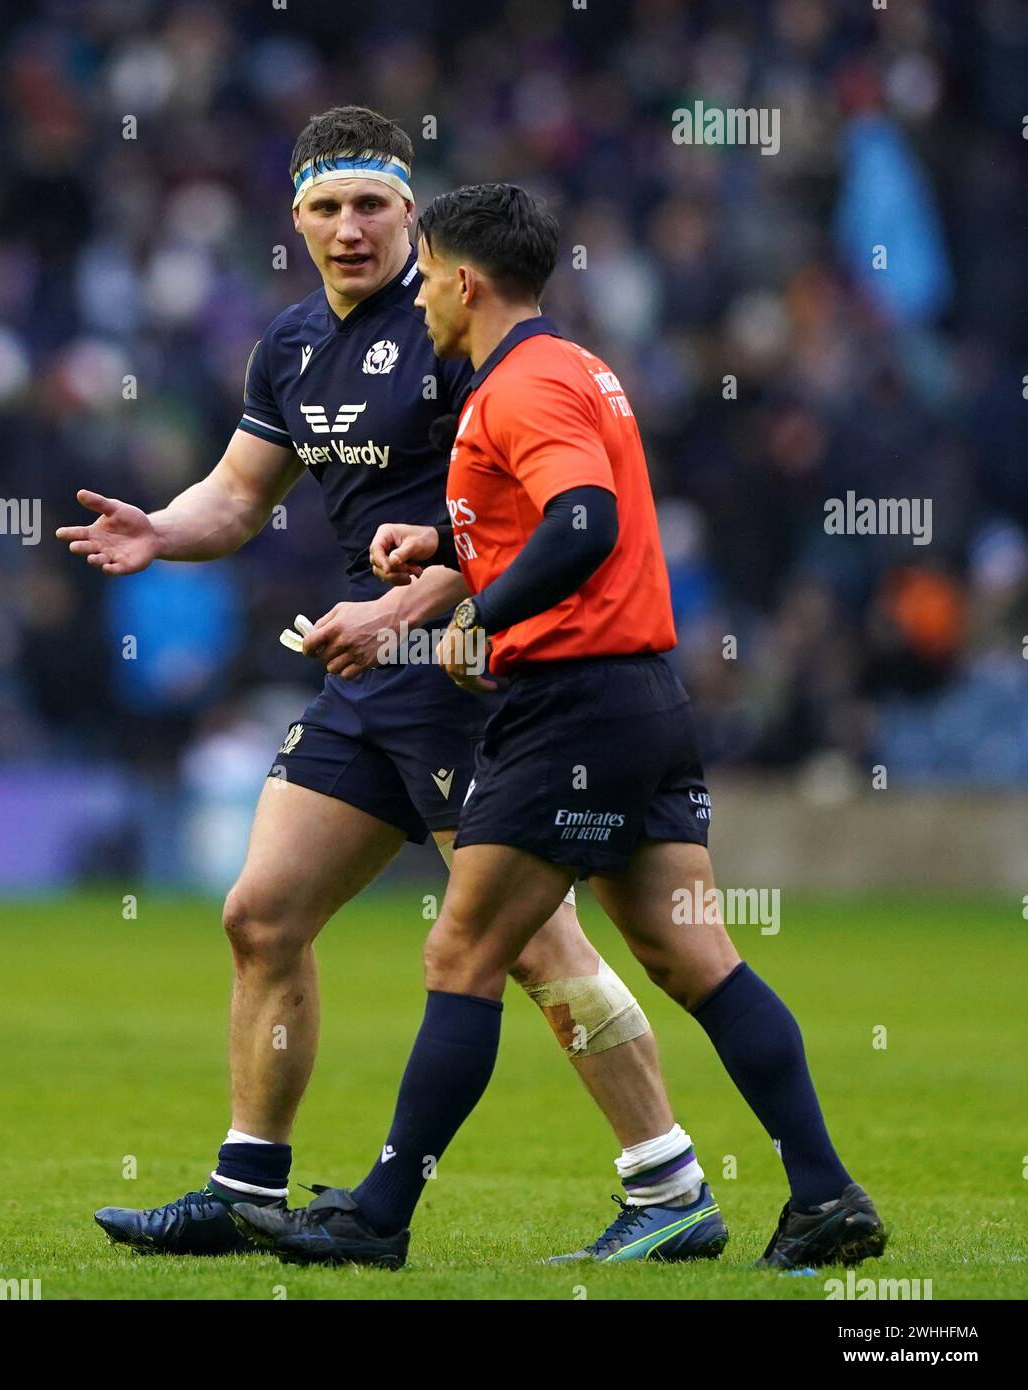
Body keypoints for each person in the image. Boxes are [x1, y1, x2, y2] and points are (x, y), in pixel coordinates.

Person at [56, 109, 725, 1263]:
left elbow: (527, 522)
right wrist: (154, 531)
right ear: (295, 219)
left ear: (410, 213)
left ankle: (665, 1184)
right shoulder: (288, 344)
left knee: (531, 945)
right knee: (259, 914)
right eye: (325, 207)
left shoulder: (460, 326)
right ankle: (246, 1186)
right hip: (363, 666)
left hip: (469, 671)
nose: (350, 228)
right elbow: (236, 493)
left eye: (371, 205)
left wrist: (425, 606)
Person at [232, 182, 888, 1271]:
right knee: (692, 955)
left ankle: (379, 1215)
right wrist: (441, 559)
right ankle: (821, 1192)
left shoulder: (515, 387)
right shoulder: (577, 367)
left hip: (570, 706)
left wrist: (482, 615)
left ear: (461, 280)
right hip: (644, 699)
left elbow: (584, 523)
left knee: (461, 951)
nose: (420, 299)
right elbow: (551, 520)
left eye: (428, 275)